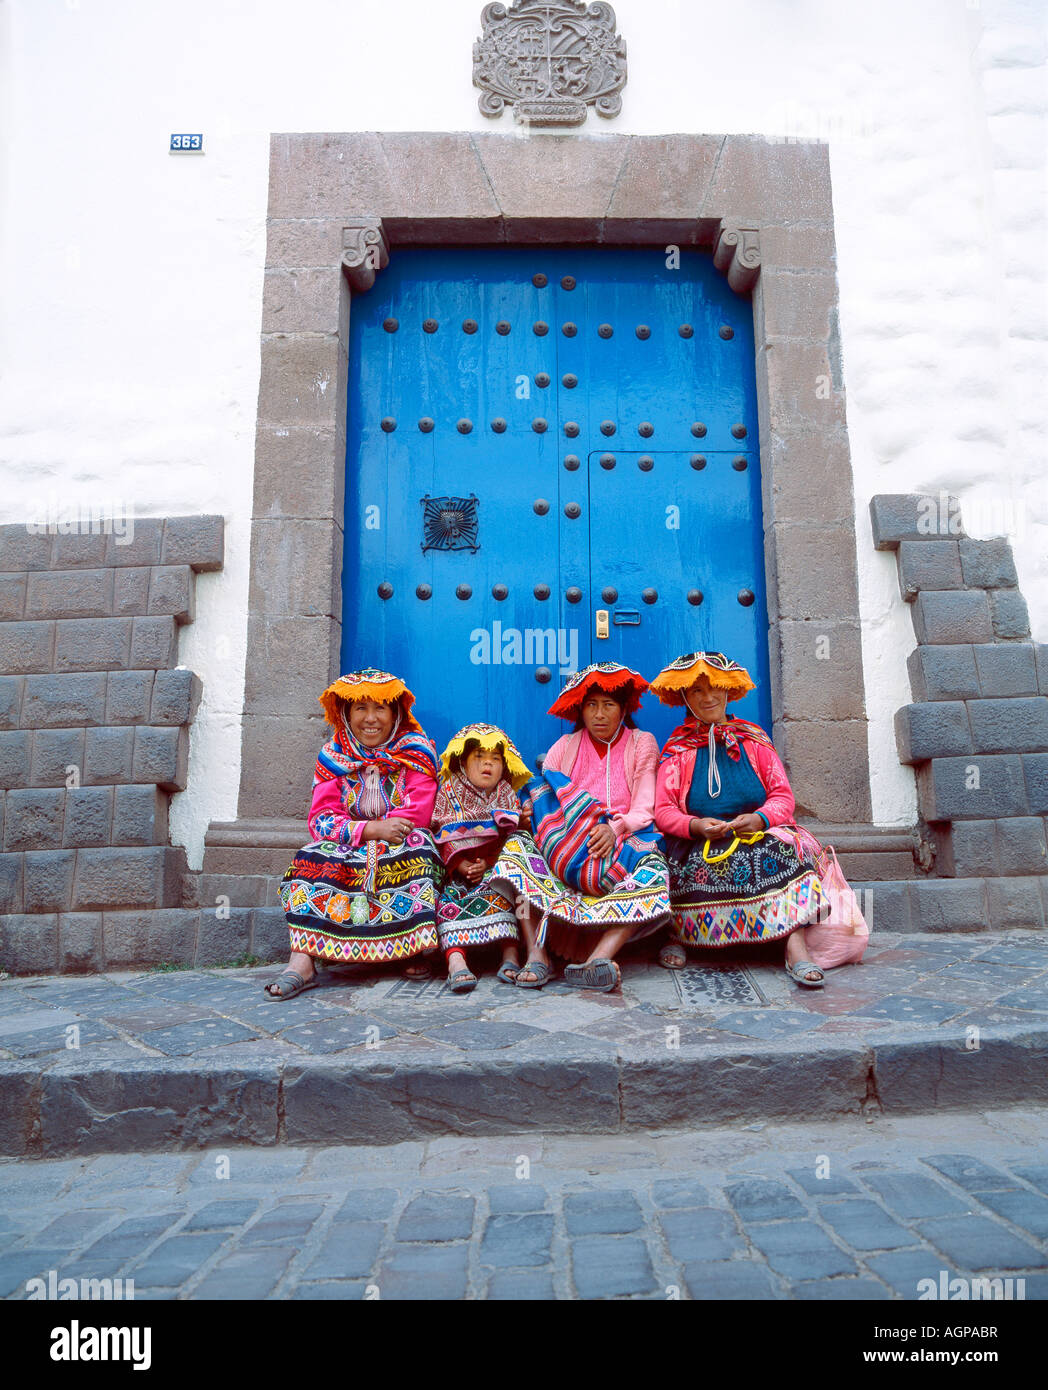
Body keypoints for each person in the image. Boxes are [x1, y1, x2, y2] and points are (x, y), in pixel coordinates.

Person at [651, 650, 828, 986]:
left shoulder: (754, 739)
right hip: (697, 843)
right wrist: (696, 826)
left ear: (728, 690)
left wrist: (760, 819)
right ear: (684, 697)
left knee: (779, 855)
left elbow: (783, 797)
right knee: (667, 864)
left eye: (714, 687)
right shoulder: (678, 748)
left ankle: (795, 947)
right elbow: (663, 811)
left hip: (754, 837)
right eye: (697, 691)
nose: (708, 697)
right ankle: (678, 937)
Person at [494, 661, 671, 992]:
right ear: (581, 709)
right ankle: (537, 953)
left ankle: (598, 959)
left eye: (608, 705)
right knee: (517, 851)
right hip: (567, 845)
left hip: (623, 842)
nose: (600, 714)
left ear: (623, 708)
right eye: (591, 705)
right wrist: (534, 810)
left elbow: (645, 806)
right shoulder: (566, 746)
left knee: (655, 867)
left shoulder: (641, 742)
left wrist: (614, 828)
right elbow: (545, 793)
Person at [268, 668, 443, 999]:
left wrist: (384, 834)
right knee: (310, 857)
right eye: (360, 708)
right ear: (346, 714)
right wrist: (368, 830)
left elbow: (418, 812)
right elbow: (320, 819)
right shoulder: (333, 756)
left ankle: (409, 950)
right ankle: (302, 960)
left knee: (419, 848)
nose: (371, 718)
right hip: (351, 843)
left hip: (400, 842)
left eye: (380, 708)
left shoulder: (416, 752)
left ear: (396, 713)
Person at [431, 723, 531, 993]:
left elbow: (509, 837)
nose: (488, 764)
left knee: (512, 897)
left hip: (494, 871)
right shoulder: (448, 793)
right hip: (457, 875)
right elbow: (438, 834)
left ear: (505, 765)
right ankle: (456, 960)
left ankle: (510, 954)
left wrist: (488, 863)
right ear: (462, 762)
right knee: (447, 905)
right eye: (479, 757)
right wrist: (459, 864)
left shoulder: (507, 794)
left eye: (495, 759)